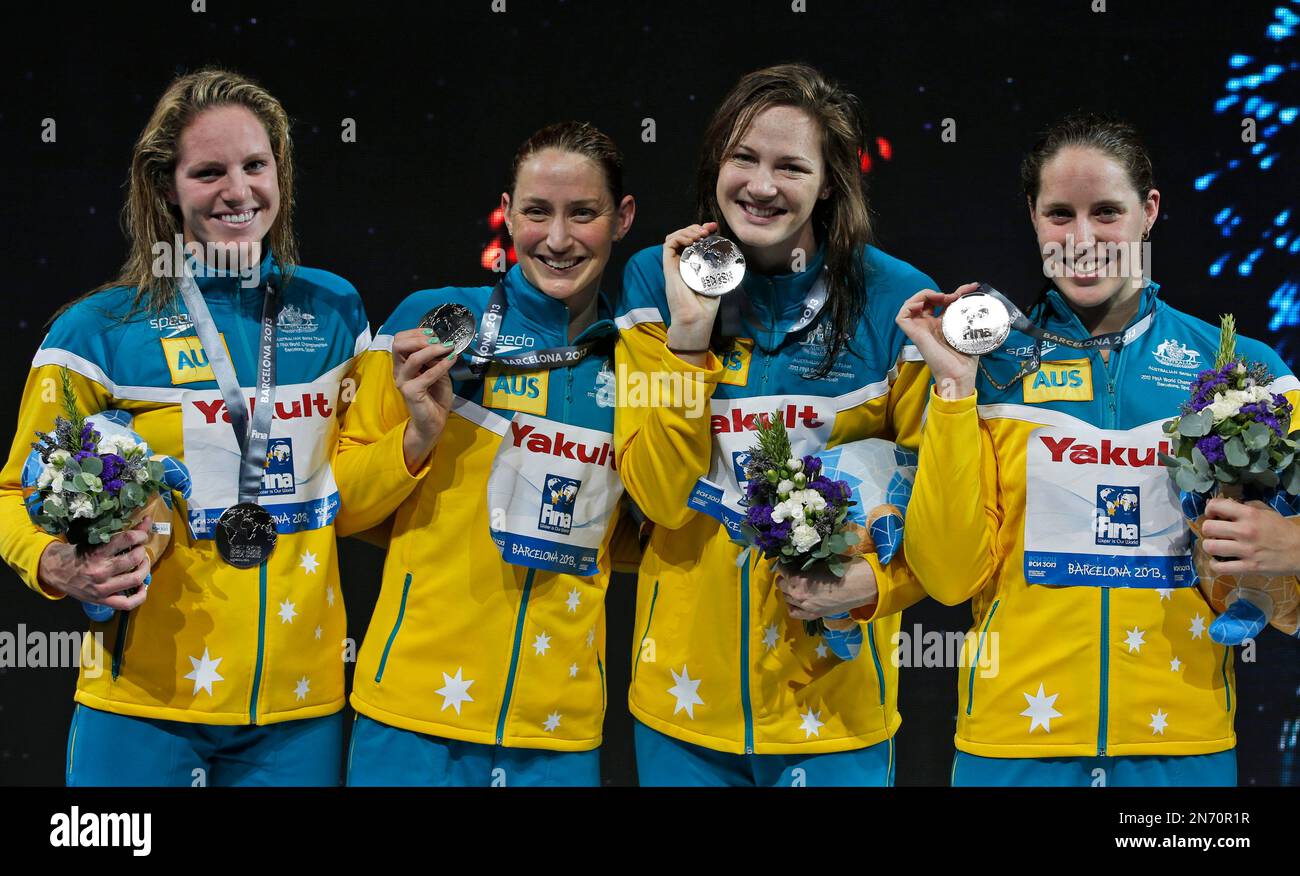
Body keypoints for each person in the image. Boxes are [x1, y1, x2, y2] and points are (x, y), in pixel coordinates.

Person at [0, 68, 384, 786]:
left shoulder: (334, 312)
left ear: (281, 172)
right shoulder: (97, 332)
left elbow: (351, 496)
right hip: (141, 708)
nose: (237, 192)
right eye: (208, 172)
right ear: (165, 187)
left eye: (255, 165)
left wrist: (416, 441)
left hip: (298, 714)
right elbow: (12, 495)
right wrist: (55, 566)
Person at [898, 111, 1300, 786]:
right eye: (1060, 214)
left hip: (1182, 752)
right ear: (1032, 216)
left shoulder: (1241, 368)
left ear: (1149, 212)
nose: (1082, 239)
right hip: (1012, 748)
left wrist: (1293, 545)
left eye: (1107, 212)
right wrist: (952, 389)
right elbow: (944, 574)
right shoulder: (986, 369)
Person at [613, 64, 936, 786]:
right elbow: (661, 498)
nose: (761, 186)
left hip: (837, 712)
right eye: (743, 158)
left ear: (829, 182)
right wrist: (688, 340)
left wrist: (876, 589)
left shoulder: (896, 301)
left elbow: (944, 512)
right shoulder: (652, 281)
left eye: (791, 165)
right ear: (715, 165)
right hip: (682, 708)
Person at [338, 121, 635, 787]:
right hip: (411, 712)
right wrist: (416, 440)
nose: (557, 239)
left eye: (582, 213)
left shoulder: (639, 357)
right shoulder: (431, 323)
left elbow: (644, 530)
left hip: (556, 726)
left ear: (622, 218)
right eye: (536, 211)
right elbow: (341, 505)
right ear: (508, 213)